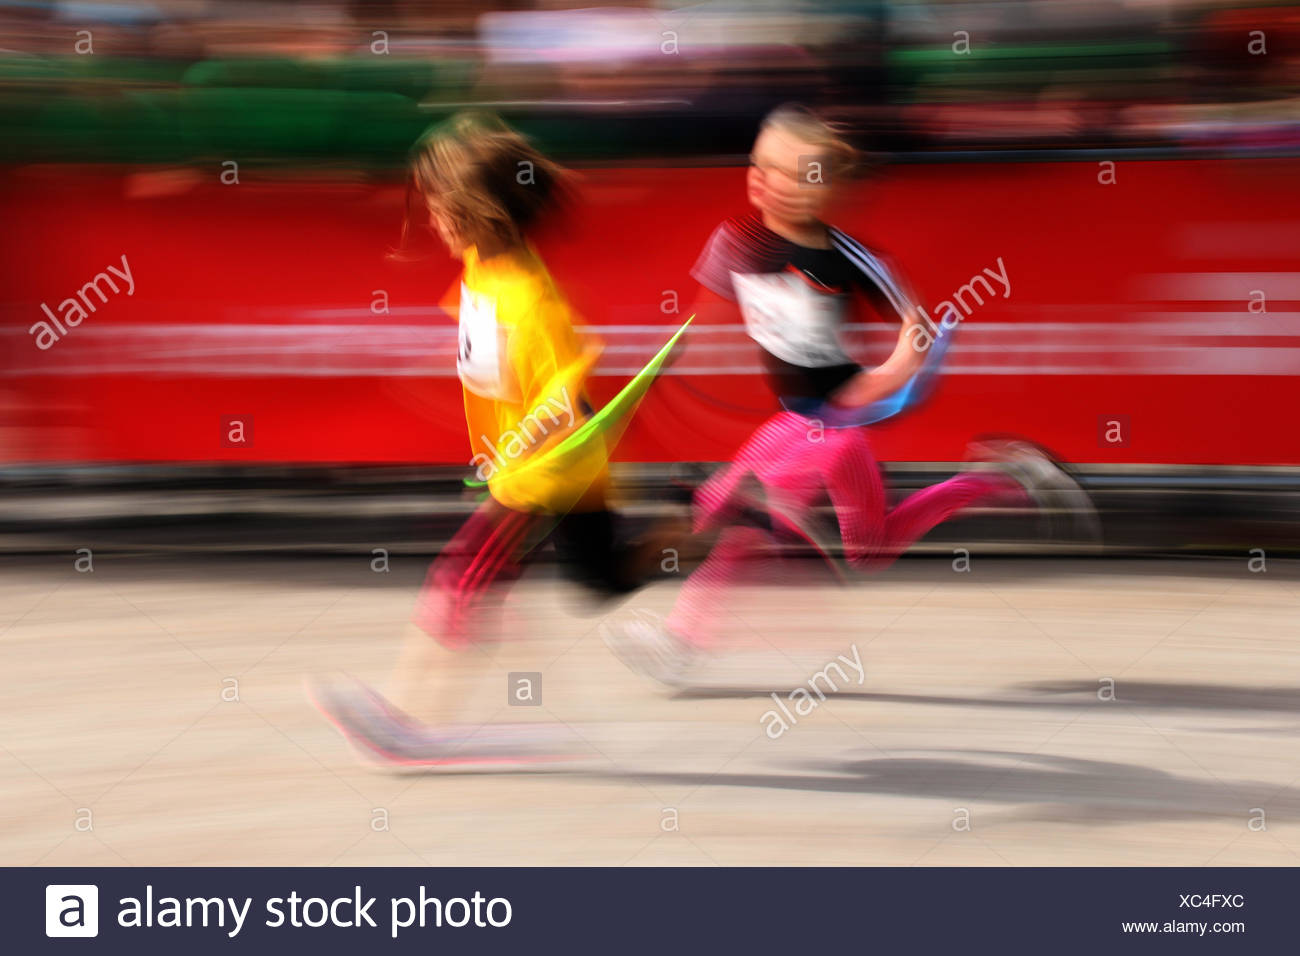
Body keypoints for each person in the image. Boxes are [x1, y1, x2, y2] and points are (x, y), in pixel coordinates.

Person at [603, 104, 1094, 686]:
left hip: (832, 423)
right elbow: (709, 317)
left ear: (822, 189)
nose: (767, 182)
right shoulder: (736, 240)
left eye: (792, 174)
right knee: (869, 549)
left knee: (739, 520)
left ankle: (680, 641)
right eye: (762, 167)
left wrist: (885, 378)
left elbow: (915, 346)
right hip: (797, 421)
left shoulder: (848, 257)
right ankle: (1005, 478)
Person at [310, 112, 682, 769]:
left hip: (542, 476)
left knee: (461, 577)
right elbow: (489, 359)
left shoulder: (535, 305)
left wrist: (516, 453)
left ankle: (407, 720)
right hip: (553, 472)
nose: (431, 219)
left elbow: (566, 400)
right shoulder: (486, 264)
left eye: (441, 207)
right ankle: (696, 524)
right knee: (598, 580)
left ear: (482, 214)